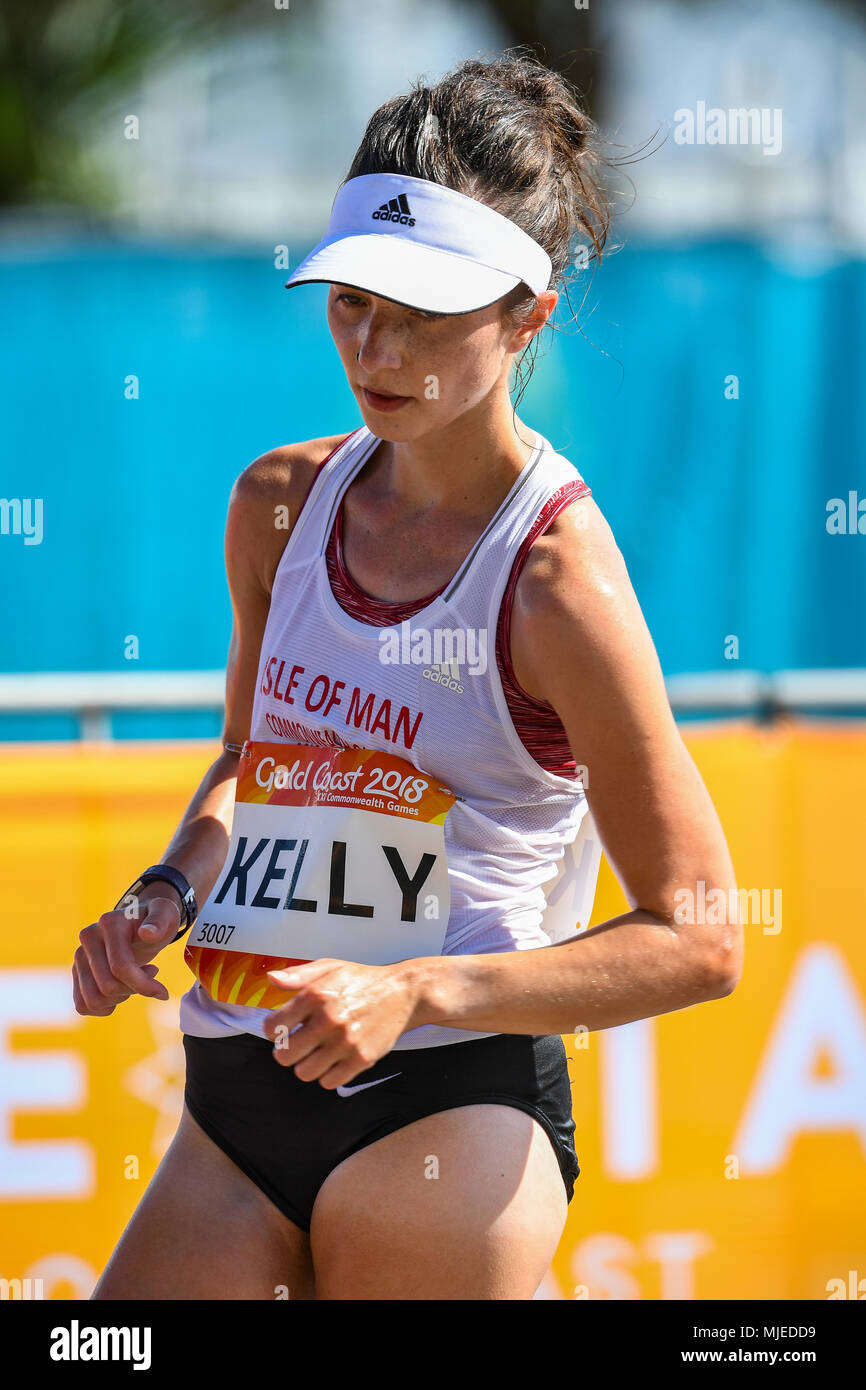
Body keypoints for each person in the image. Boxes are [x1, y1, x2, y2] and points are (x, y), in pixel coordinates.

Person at [79, 50, 742, 1301]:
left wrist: (415, 987)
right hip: (235, 1098)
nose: (373, 347)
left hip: (443, 1111)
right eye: (349, 300)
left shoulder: (556, 582)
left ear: (526, 314)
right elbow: (244, 760)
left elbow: (704, 941)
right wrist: (164, 890)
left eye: (423, 310)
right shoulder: (278, 501)